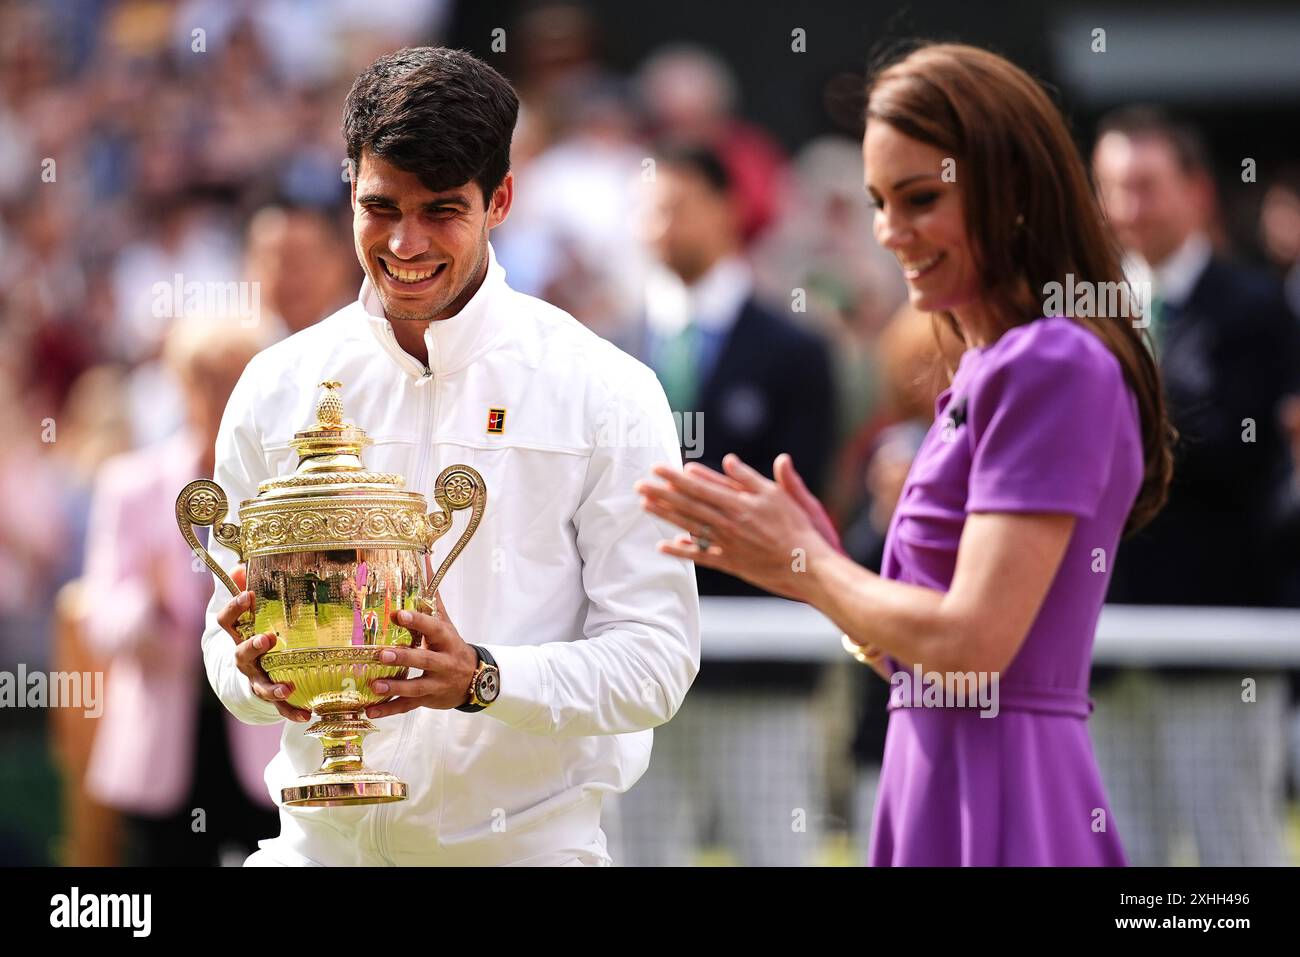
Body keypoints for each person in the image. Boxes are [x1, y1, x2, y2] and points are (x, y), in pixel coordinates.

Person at [637, 42, 1175, 866]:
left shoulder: (1048, 363)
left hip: (1005, 788)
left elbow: (973, 643)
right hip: (938, 774)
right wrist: (804, 568)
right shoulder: (993, 368)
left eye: (920, 197)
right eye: (878, 201)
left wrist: (809, 562)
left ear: (1013, 190)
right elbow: (932, 658)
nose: (891, 232)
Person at [199, 47, 699, 867]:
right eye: (380, 206)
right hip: (314, 849)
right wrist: (254, 676)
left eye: (441, 210)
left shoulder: (606, 389)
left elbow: (656, 660)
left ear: (499, 199)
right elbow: (225, 649)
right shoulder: (274, 385)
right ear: (349, 190)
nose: (404, 242)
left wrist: (483, 678)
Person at [1091, 107, 1300, 866]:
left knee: (1235, 850)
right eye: (1114, 188)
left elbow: (1244, 453)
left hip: (1221, 636)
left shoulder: (1257, 308)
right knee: (1119, 851)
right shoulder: (1089, 309)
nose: (1128, 207)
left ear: (1197, 191)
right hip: (1105, 643)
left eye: (1146, 186)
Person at [616, 143, 835, 866]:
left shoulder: (795, 351)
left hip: (758, 670)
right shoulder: (607, 350)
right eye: (649, 209)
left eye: (676, 205)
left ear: (728, 208)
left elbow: (793, 499)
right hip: (634, 661)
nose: (660, 225)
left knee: (776, 848)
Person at [80, 318, 282, 865]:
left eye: (233, 379)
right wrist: (150, 603)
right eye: (204, 379)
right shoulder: (131, 484)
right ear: (180, 384)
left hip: (262, 732)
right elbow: (100, 617)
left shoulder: (280, 488)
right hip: (165, 741)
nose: (219, 395)